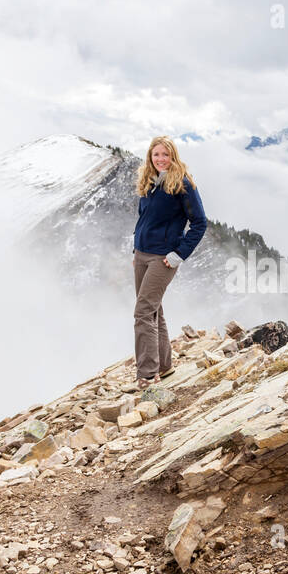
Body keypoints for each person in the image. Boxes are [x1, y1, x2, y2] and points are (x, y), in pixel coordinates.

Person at [131, 136, 207, 388]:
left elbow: (199, 223)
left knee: (143, 312)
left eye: (165, 154)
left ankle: (146, 374)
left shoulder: (183, 184)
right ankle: (163, 367)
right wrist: (135, 251)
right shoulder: (149, 182)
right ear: (150, 158)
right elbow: (144, 219)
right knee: (154, 311)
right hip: (142, 254)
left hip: (163, 258)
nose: (161, 159)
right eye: (156, 155)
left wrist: (178, 254)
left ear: (173, 155)